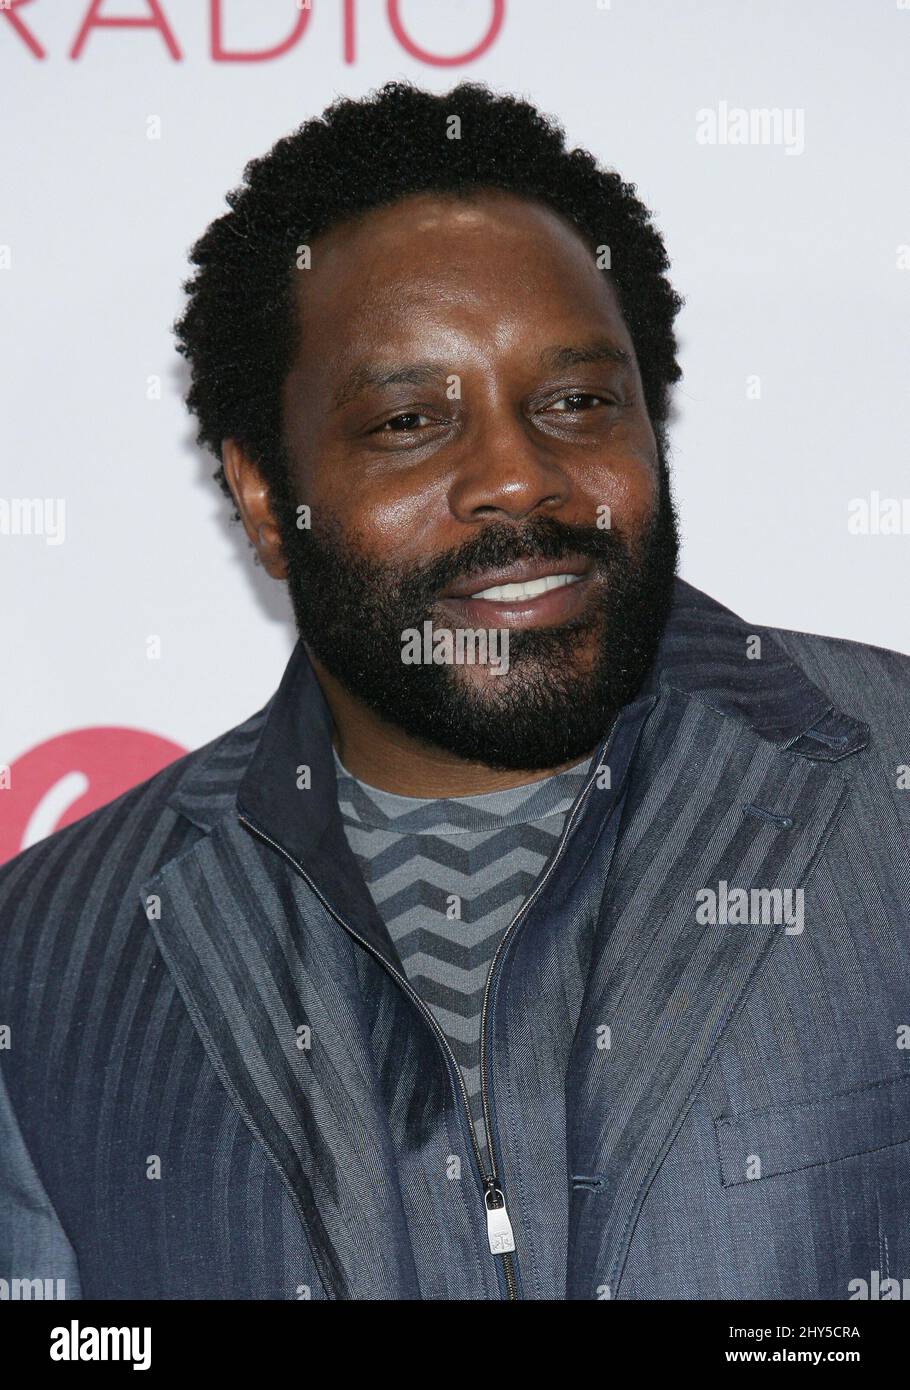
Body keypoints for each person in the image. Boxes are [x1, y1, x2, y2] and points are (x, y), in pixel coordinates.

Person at [1, 81, 908, 1301]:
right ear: (267, 499)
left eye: (577, 402)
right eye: (408, 421)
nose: (518, 477)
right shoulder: (49, 952)